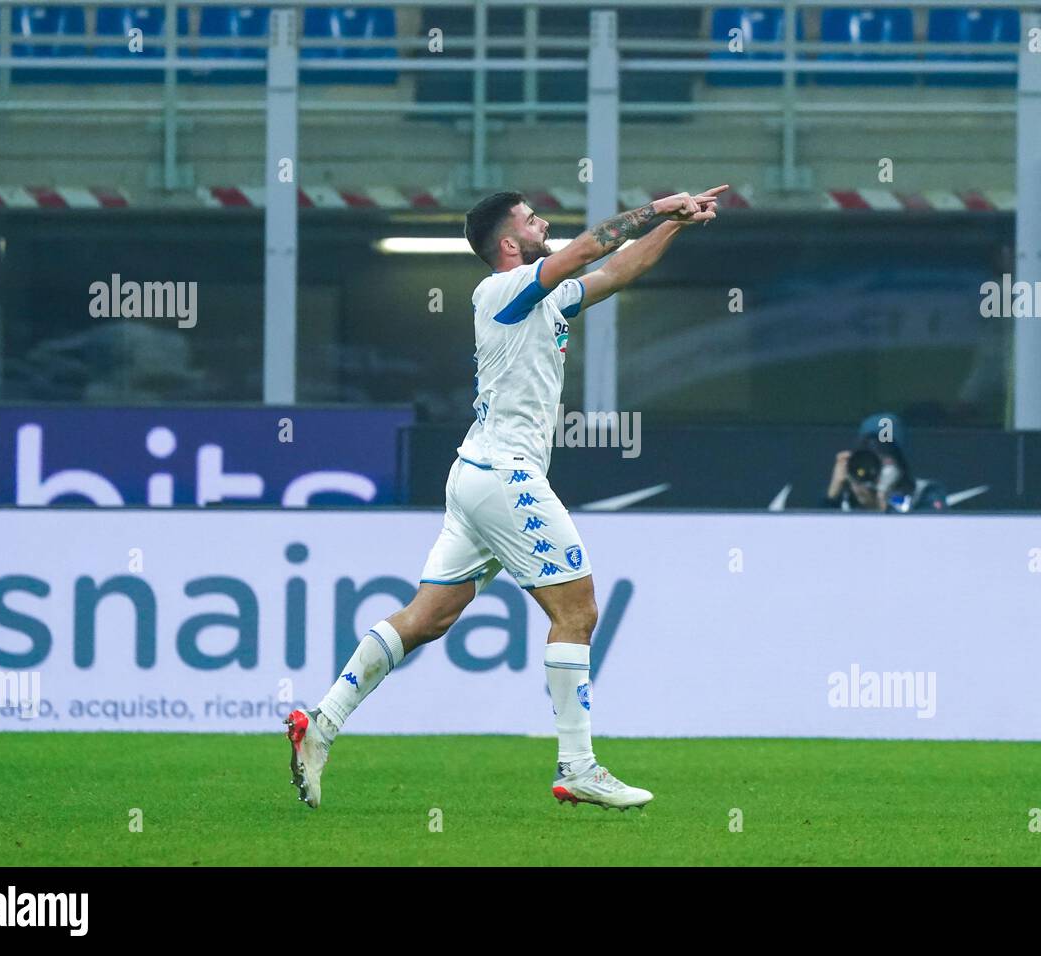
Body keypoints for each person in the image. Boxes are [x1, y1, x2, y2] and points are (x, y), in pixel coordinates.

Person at [285, 185, 726, 810]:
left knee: (428, 617)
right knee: (577, 610)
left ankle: (320, 723)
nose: (541, 219)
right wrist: (655, 207)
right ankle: (578, 765)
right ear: (509, 241)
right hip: (504, 472)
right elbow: (581, 254)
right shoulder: (500, 289)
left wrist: (678, 224)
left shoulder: (543, 297)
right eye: (528, 217)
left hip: (475, 472)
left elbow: (617, 268)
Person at [822, 413, 947, 513]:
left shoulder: (922, 494)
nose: (876, 465)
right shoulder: (845, 501)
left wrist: (880, 507)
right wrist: (832, 496)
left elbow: (928, 537)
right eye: (870, 455)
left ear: (900, 461)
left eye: (884, 454)